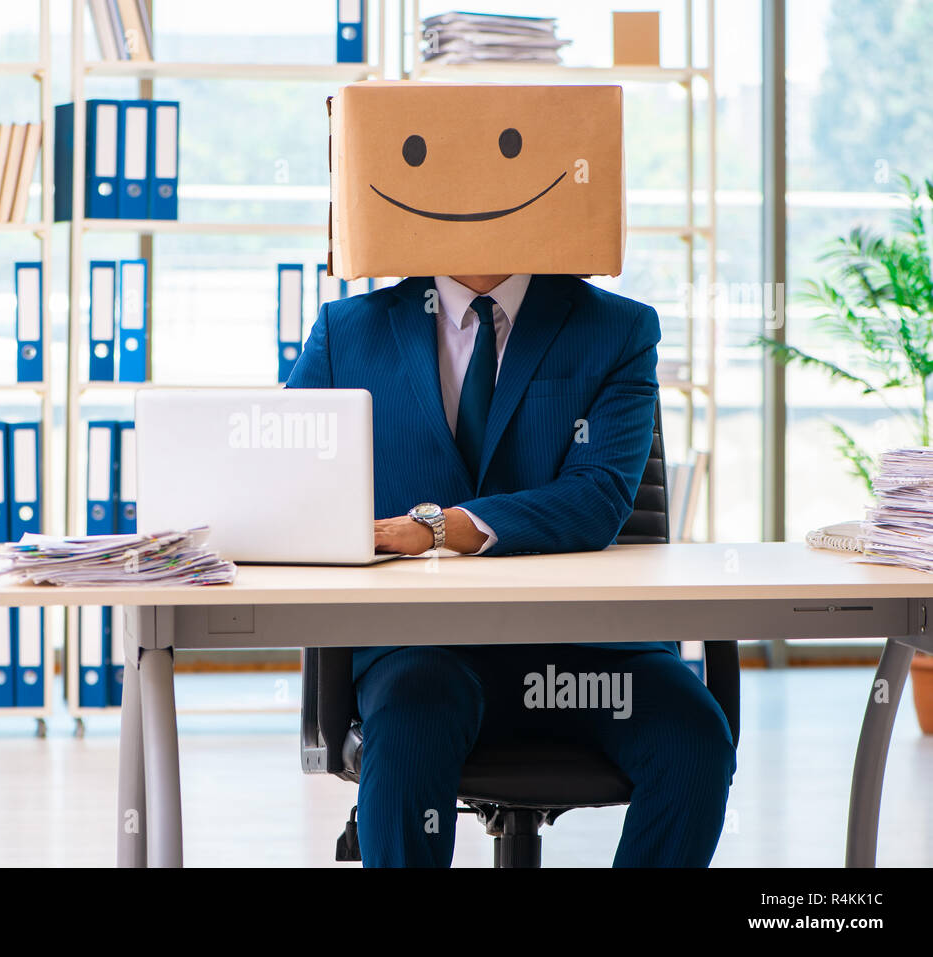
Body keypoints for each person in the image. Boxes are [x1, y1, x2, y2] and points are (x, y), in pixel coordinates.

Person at [286, 271, 736, 867]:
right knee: (412, 724)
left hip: (585, 647)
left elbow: (598, 497)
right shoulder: (347, 330)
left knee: (694, 737)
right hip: (422, 647)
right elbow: (290, 483)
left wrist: (439, 528)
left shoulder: (618, 327)